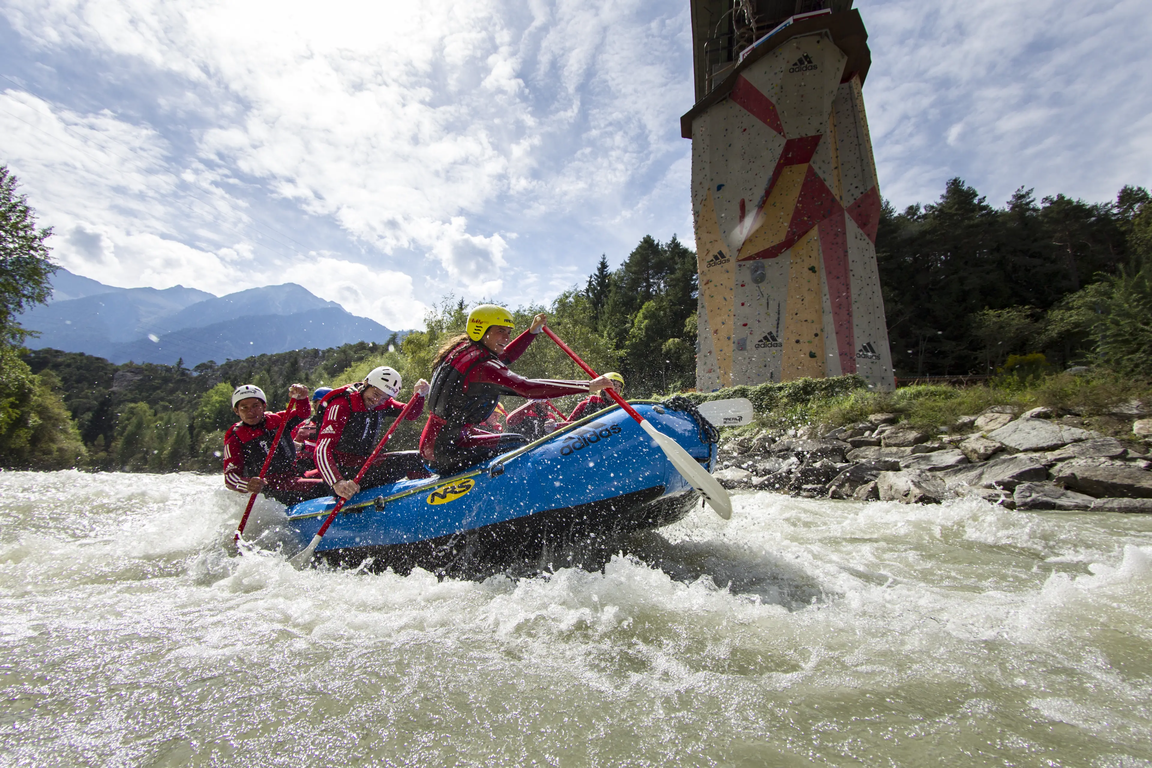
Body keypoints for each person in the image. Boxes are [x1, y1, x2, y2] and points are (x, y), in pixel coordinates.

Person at [419, 304, 616, 474]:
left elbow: (505, 357)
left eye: (508, 332)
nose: (506, 337)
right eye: (500, 331)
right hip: (444, 451)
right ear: (481, 330)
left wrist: (532, 332)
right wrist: (588, 386)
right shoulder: (482, 367)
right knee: (518, 443)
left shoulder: (468, 349)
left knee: (516, 440)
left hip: (441, 443)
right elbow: (526, 388)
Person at [315, 366, 431, 500]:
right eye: (375, 394)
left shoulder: (383, 403)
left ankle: (426, 497)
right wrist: (337, 482)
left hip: (364, 464)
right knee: (404, 463)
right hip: (342, 472)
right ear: (366, 384)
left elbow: (411, 414)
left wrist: (419, 396)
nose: (377, 401)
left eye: (383, 398)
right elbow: (322, 449)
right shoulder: (341, 405)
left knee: (419, 459)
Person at [223, 383, 330, 506]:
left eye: (255, 406)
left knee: (335, 474)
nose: (250, 412)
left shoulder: (277, 420)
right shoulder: (235, 437)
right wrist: (248, 484)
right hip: (270, 488)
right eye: (244, 407)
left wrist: (302, 398)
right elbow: (230, 478)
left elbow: (303, 413)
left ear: (264, 406)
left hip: (294, 475)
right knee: (325, 486)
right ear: (236, 411)